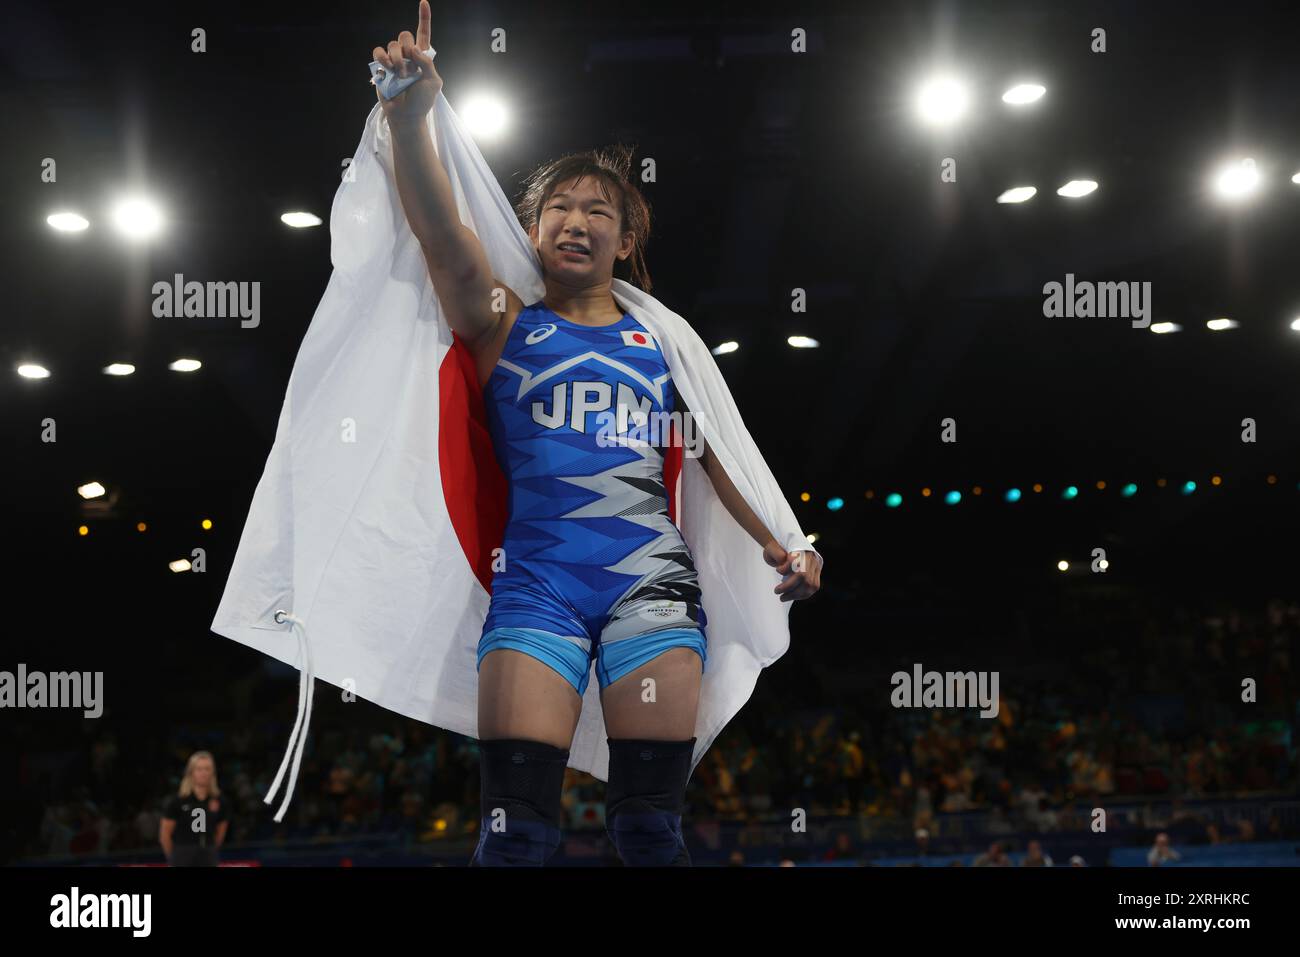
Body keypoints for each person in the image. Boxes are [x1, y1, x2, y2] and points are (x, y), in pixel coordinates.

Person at [371, 2, 822, 866]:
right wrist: (411, 113)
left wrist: (784, 540)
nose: (576, 220)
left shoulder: (664, 345)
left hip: (648, 583)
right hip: (535, 584)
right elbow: (439, 233)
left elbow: (720, 453)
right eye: (559, 208)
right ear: (531, 230)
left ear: (626, 237)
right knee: (515, 828)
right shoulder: (502, 322)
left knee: (650, 827)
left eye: (598, 211)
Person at [159, 751, 229, 866]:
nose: (203, 773)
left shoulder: (220, 801)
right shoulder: (177, 801)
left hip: (208, 855)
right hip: (182, 855)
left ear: (213, 772)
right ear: (191, 772)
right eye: (199, 769)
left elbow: (220, 832)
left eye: (207, 769)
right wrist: (174, 858)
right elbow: (165, 835)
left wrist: (209, 849)